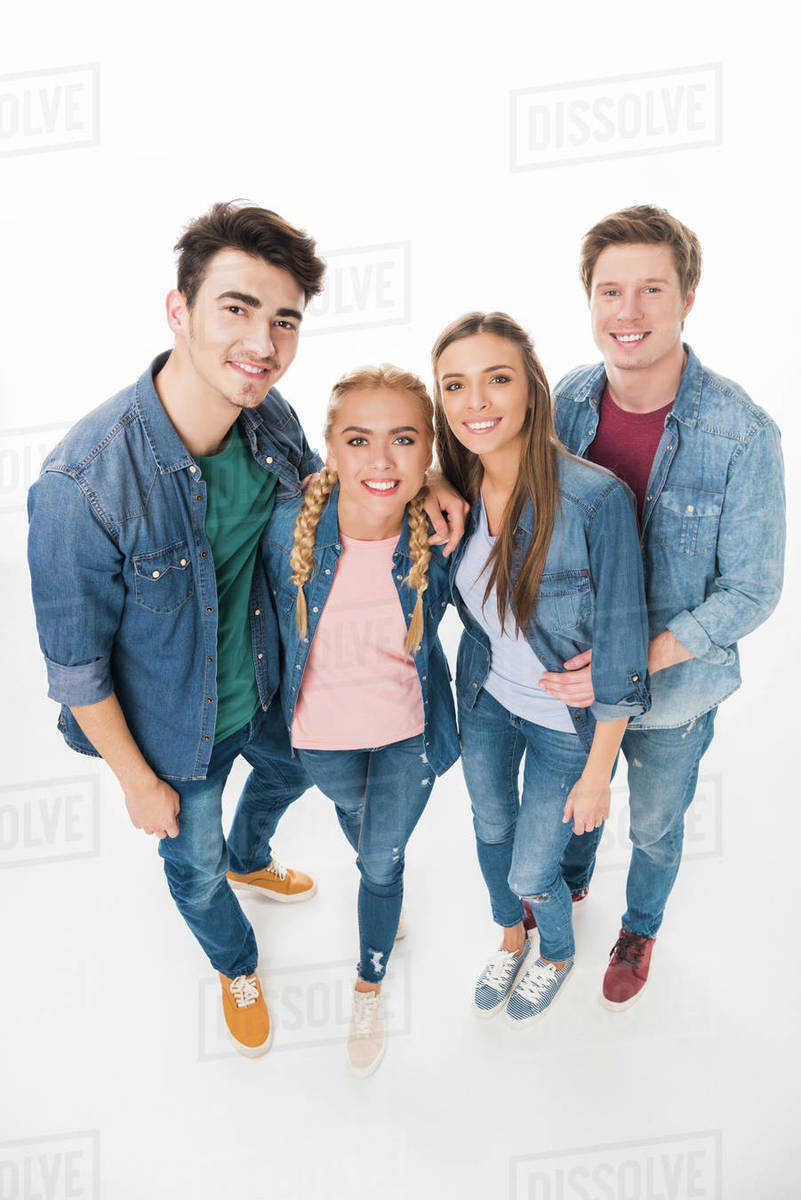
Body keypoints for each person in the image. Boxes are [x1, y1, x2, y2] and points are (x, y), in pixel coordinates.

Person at [26, 202, 467, 1058]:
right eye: (237, 309)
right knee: (192, 871)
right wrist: (136, 783)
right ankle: (236, 962)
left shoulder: (268, 420)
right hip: (172, 741)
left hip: (270, 689)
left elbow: (333, 495)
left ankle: (251, 853)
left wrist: (430, 478)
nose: (263, 343)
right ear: (178, 310)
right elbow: (75, 670)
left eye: (284, 320)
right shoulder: (82, 484)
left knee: (289, 773)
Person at [544, 205, 785, 1009]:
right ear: (588, 299)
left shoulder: (741, 432)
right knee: (574, 800)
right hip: (574, 678)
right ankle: (569, 882)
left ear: (687, 297)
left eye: (651, 289)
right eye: (610, 290)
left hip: (674, 695)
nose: (628, 311)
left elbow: (751, 590)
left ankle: (638, 925)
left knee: (653, 824)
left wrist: (633, 661)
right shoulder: (567, 403)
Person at [432, 312, 651, 1026]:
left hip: (565, 722)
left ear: (531, 387)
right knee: (490, 827)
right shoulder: (454, 492)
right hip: (485, 700)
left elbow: (622, 651)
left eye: (496, 379)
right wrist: (428, 476)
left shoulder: (595, 499)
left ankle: (554, 950)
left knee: (531, 869)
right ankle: (510, 937)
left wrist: (598, 775)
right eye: (454, 386)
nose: (475, 401)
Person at [262, 365, 459, 1076]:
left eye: (403, 440)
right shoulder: (284, 530)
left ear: (428, 451)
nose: (381, 461)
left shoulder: (442, 536)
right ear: (330, 448)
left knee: (380, 861)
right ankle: (381, 873)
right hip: (320, 737)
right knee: (355, 813)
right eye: (358, 440)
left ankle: (368, 985)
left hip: (409, 734)